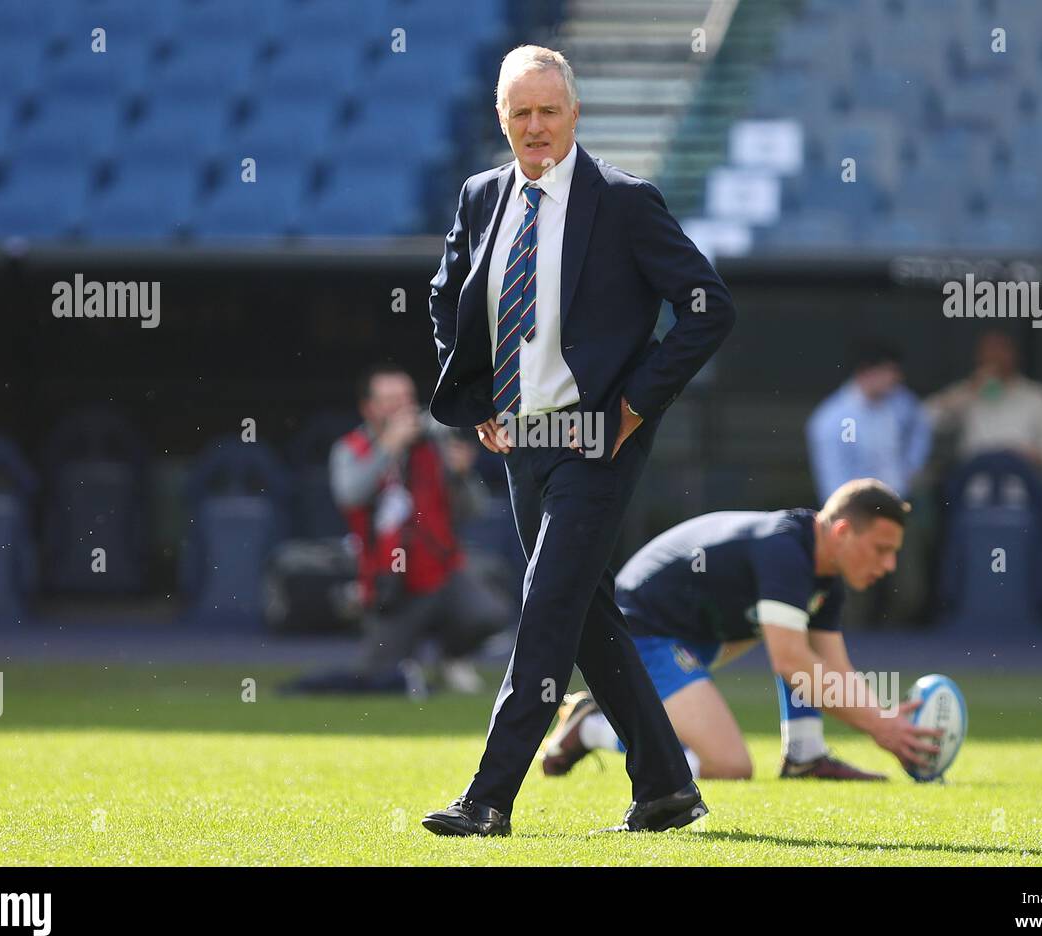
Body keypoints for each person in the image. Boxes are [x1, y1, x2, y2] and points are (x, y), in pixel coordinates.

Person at [421, 45, 736, 837]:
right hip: (523, 441)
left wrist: (636, 403)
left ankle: (488, 797)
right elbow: (444, 300)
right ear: (501, 117)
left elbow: (707, 308)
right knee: (587, 616)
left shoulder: (625, 202)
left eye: (548, 111)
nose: (534, 127)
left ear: (574, 114)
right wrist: (476, 394)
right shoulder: (478, 196)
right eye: (519, 112)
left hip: (598, 439)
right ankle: (667, 787)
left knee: (548, 606)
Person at [541, 479, 942, 782]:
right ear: (841, 532)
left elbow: (834, 667)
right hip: (636, 631)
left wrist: (885, 719)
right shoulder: (785, 551)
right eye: (881, 549)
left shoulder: (823, 572)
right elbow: (790, 661)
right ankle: (592, 727)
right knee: (730, 765)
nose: (889, 565)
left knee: (798, 644)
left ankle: (805, 755)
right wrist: (878, 725)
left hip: (686, 633)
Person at [280, 362, 510, 697]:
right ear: (369, 408)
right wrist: (389, 446)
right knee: (374, 677)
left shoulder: (434, 445)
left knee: (489, 613)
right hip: (391, 582)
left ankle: (452, 656)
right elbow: (350, 493)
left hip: (443, 570)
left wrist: (461, 474)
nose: (402, 407)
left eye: (406, 397)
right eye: (390, 399)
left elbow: (474, 508)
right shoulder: (350, 448)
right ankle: (407, 663)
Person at [806, 339, 932, 627]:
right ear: (866, 373)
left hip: (898, 506)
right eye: (889, 373)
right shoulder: (831, 419)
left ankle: (897, 652)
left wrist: (911, 467)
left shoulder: (901, 403)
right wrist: (851, 522)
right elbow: (832, 482)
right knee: (852, 599)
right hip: (854, 517)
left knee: (910, 589)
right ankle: (852, 658)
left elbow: (920, 429)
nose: (896, 380)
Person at [925, 330, 1042, 481]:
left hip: (1022, 490)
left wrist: (1035, 455)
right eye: (988, 351)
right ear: (978, 356)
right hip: (972, 489)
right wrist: (968, 392)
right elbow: (922, 421)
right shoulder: (966, 392)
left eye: (1001, 350)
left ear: (1015, 355)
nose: (995, 356)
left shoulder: (1037, 395)